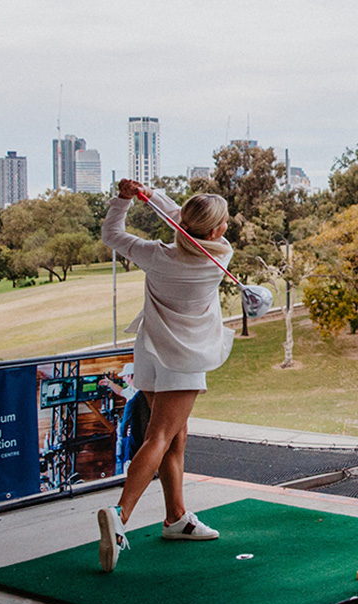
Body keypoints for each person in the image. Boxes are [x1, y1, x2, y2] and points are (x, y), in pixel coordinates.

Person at [95, 179, 236, 572]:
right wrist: (149, 195)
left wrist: (128, 198)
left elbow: (112, 233)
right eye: (223, 221)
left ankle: (176, 518)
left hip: (151, 352)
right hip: (183, 359)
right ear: (215, 232)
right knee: (159, 436)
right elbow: (181, 221)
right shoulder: (219, 256)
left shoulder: (155, 255)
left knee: (175, 434)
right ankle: (119, 518)